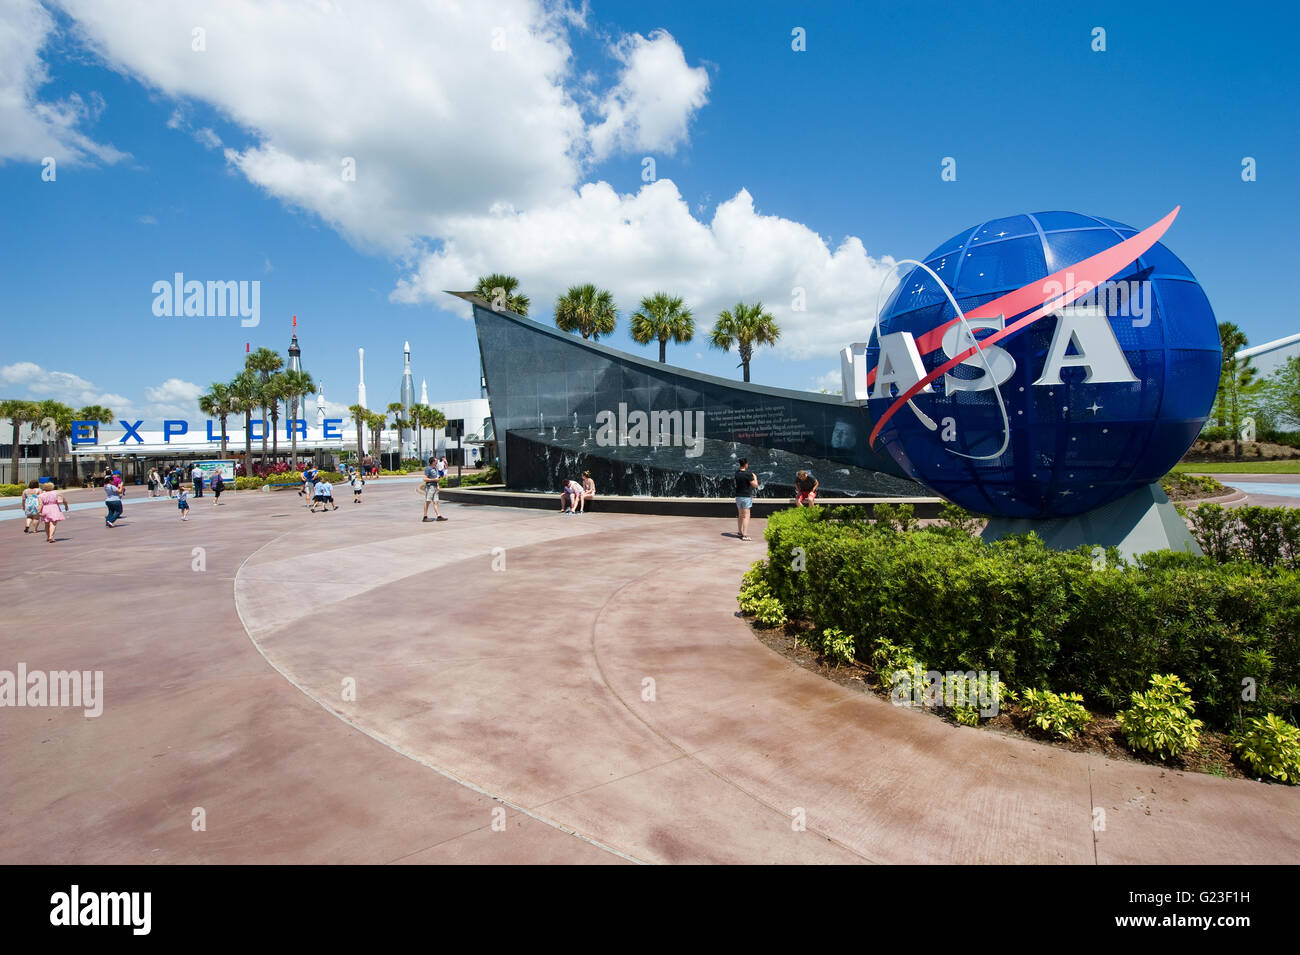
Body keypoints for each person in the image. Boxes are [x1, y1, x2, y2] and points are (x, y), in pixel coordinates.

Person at [734, 457, 758, 541]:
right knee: (746, 516)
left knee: (740, 515)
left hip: (738, 496)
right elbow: (755, 485)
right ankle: (745, 535)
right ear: (745, 464)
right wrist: (755, 477)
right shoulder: (748, 474)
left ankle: (740, 532)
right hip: (746, 497)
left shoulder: (737, 473)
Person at [422, 455, 446, 522]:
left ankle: (438, 516)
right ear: (432, 462)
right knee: (428, 501)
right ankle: (425, 516)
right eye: (436, 461)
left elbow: (436, 479)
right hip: (430, 487)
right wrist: (434, 480)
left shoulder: (435, 469)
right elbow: (424, 479)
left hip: (435, 487)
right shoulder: (428, 469)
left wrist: (437, 485)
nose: (437, 462)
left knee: (436, 502)